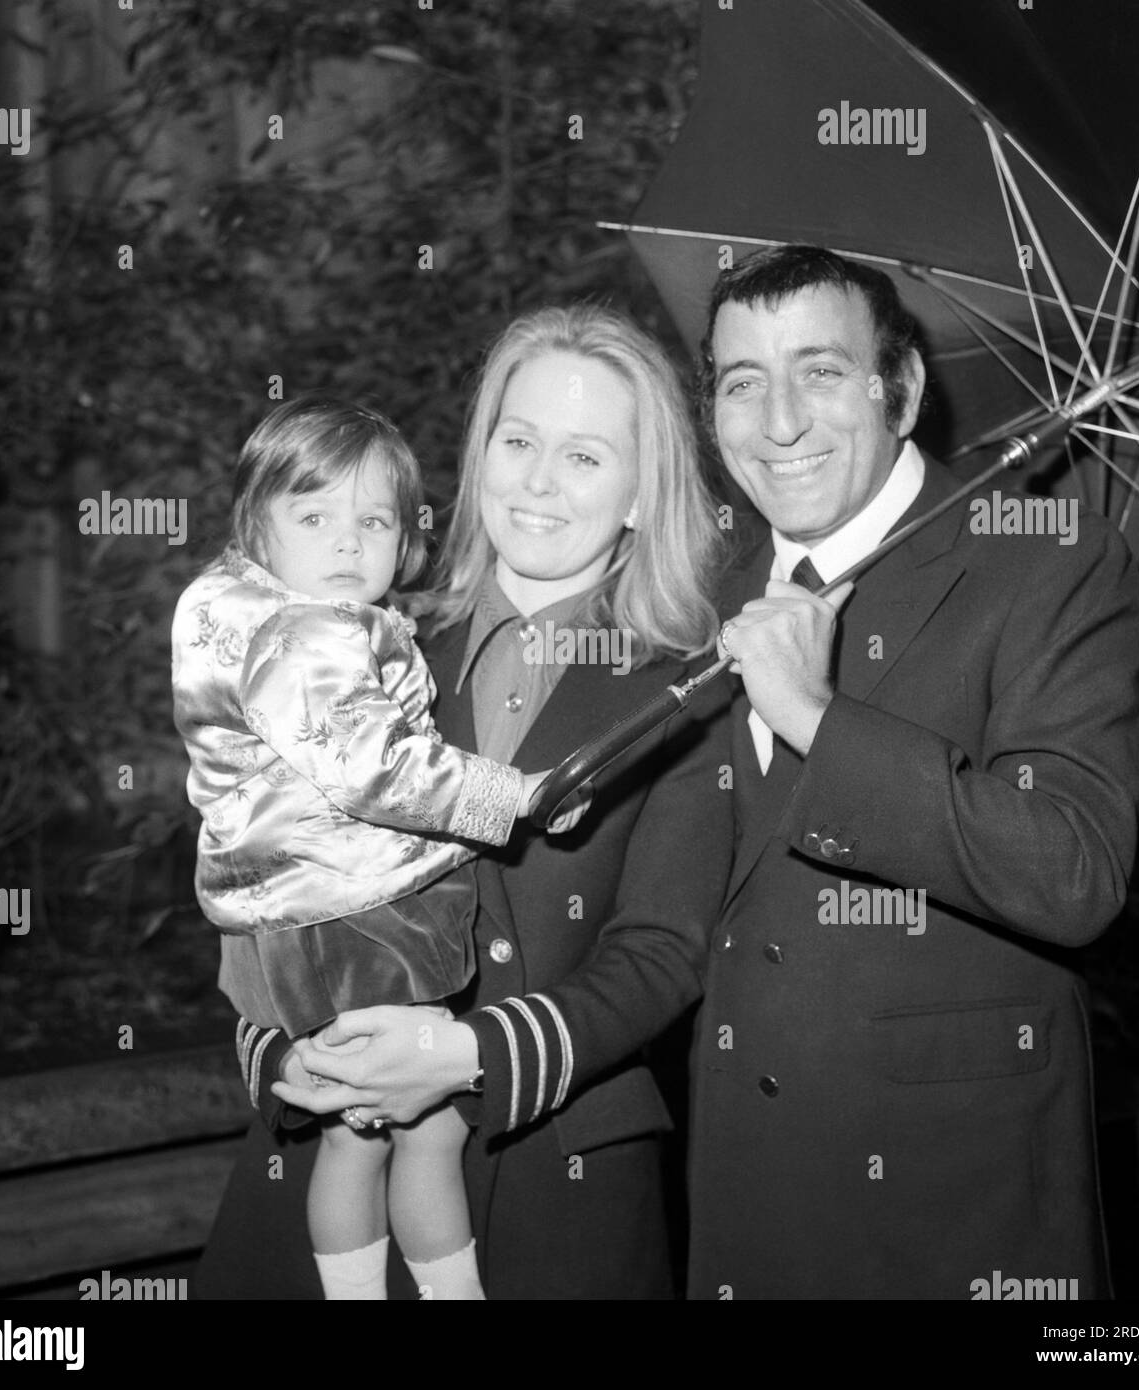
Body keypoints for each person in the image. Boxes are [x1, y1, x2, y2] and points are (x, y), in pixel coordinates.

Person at [193, 304, 732, 1300]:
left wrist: (462, 1051)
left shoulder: (683, 694)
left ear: (641, 494)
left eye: (584, 456)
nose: (536, 480)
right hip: (323, 1166)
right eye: (517, 438)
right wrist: (285, 1052)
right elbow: (249, 847)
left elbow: (664, 953)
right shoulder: (355, 640)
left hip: (552, 1177)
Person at [686, 244, 1139, 1299]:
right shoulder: (695, 589)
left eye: (819, 370)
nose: (780, 422)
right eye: (741, 381)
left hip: (956, 1216)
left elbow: (1072, 871)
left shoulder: (1048, 560)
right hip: (741, 1209)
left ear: (899, 388)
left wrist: (815, 715)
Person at [172, 397, 579, 1300]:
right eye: (314, 517)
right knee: (424, 1129)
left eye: (374, 521)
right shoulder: (308, 633)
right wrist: (510, 796)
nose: (348, 544)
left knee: (352, 1134)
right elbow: (372, 766)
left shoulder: (243, 613)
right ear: (257, 526)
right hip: (364, 915)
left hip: (288, 919)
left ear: (405, 538)